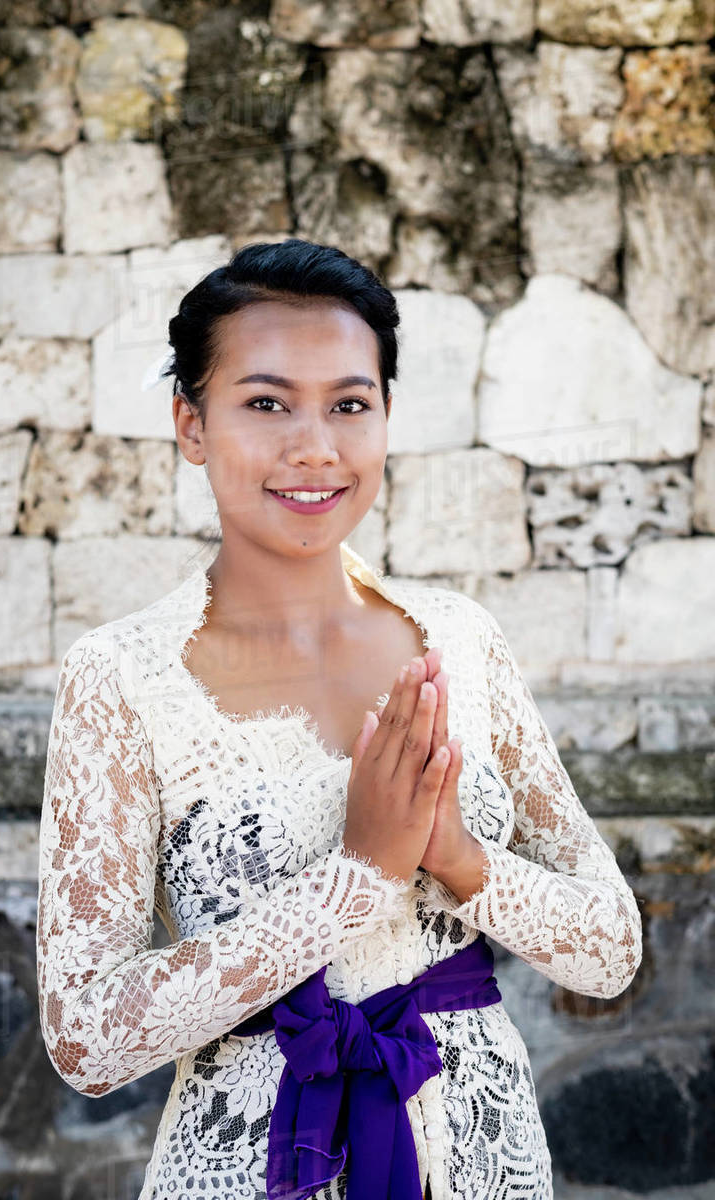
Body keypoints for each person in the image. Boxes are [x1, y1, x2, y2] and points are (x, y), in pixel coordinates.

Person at [36, 238, 643, 1200]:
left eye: (350, 405)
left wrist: (459, 857)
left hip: (479, 1154)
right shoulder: (121, 678)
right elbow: (87, 1037)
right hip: (251, 1163)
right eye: (266, 403)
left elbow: (610, 950)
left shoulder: (460, 639)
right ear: (191, 424)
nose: (314, 446)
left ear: (389, 417)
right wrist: (355, 878)